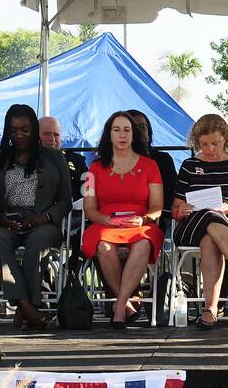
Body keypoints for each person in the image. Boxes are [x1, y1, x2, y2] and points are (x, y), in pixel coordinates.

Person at [0, 104, 73, 329]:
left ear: (33, 129)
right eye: (13, 131)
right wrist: (1, 220)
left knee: (37, 241)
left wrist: (44, 217)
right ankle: (27, 307)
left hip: (43, 223)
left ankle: (25, 307)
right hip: (8, 222)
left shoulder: (54, 158)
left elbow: (65, 202)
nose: (19, 135)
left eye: (24, 129)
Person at [171, 114, 228, 329]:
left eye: (215, 143)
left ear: (225, 138)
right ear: (197, 142)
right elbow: (175, 208)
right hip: (191, 225)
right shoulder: (189, 165)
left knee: (211, 234)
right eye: (204, 144)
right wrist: (182, 210)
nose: (210, 149)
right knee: (209, 216)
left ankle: (210, 310)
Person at [81, 111, 165, 327]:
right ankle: (125, 303)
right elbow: (89, 209)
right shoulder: (93, 168)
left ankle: (119, 306)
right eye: (116, 129)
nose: (122, 135)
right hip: (105, 223)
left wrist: (143, 219)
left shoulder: (150, 166)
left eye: (127, 130)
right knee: (103, 246)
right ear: (109, 134)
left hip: (140, 224)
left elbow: (157, 207)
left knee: (144, 243)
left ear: (133, 134)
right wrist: (107, 220)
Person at [125, 109, 179, 225]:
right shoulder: (107, 162)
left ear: (148, 133)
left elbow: (170, 196)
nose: (138, 132)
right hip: (114, 217)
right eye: (132, 128)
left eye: (142, 127)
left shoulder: (162, 160)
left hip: (156, 218)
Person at [39, 115, 88, 201]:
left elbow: (90, 193)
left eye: (56, 135)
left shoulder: (77, 162)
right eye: (47, 134)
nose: (52, 139)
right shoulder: (24, 162)